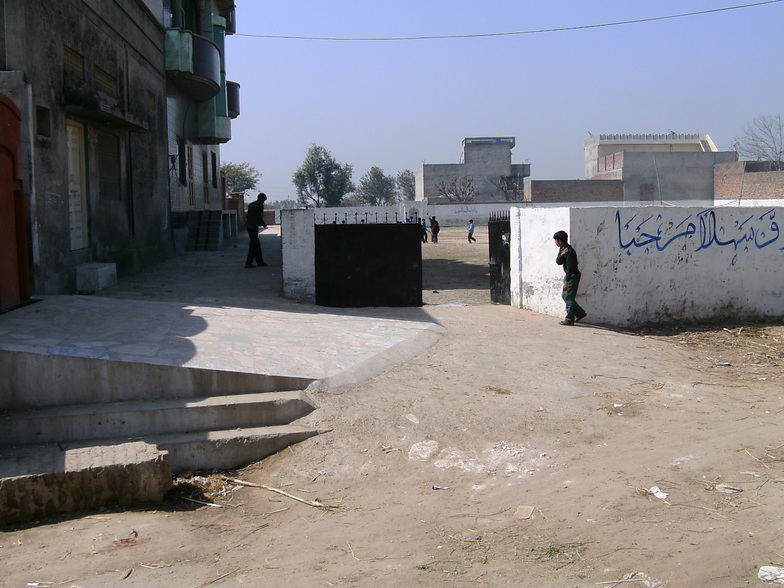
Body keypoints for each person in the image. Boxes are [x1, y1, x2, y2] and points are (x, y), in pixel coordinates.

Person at [553, 230, 586, 325]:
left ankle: (570, 318)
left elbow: (570, 268)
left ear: (560, 241)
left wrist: (566, 281)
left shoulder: (570, 252)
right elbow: (558, 261)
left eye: (556, 241)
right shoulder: (563, 250)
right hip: (569, 275)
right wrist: (562, 254)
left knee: (568, 297)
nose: (555, 242)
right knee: (566, 295)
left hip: (572, 276)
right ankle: (580, 313)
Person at [245, 192, 268, 268]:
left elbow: (247, 215)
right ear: (262, 199)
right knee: (254, 245)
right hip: (253, 227)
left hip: (249, 225)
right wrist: (263, 224)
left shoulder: (251, 204)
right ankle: (249, 263)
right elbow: (259, 216)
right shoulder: (260, 206)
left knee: (255, 244)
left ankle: (259, 261)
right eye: (264, 200)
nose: (263, 202)